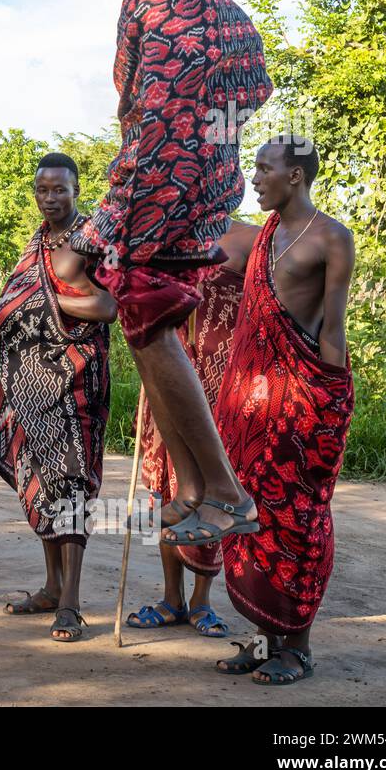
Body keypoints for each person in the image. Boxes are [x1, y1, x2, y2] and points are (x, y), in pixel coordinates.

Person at [71, 0, 274, 551]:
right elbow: (253, 86)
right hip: (192, 178)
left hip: (166, 181)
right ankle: (191, 490)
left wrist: (110, 213)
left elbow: (159, 109)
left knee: (145, 317)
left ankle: (222, 489)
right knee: (147, 317)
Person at [215, 136, 354, 685]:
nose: (255, 178)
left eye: (264, 168)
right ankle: (259, 636)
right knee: (248, 516)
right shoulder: (263, 237)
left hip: (304, 404)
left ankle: (297, 645)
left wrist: (331, 407)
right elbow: (202, 255)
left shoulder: (331, 238)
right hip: (247, 408)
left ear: (295, 175)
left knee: (297, 517)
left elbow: (334, 331)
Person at [0, 153, 116, 640]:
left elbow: (108, 304)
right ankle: (52, 586)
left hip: (76, 381)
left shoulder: (93, 241)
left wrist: (46, 301)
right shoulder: (35, 244)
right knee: (39, 478)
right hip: (29, 387)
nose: (51, 198)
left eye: (60, 189)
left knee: (72, 484)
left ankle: (73, 604)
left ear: (76, 190)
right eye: (43, 190)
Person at [126, 218, 258, 637]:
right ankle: (171, 599)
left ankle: (202, 601)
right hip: (168, 379)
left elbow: (267, 312)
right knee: (166, 487)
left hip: (222, 381)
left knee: (212, 489)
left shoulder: (253, 239)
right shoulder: (165, 233)